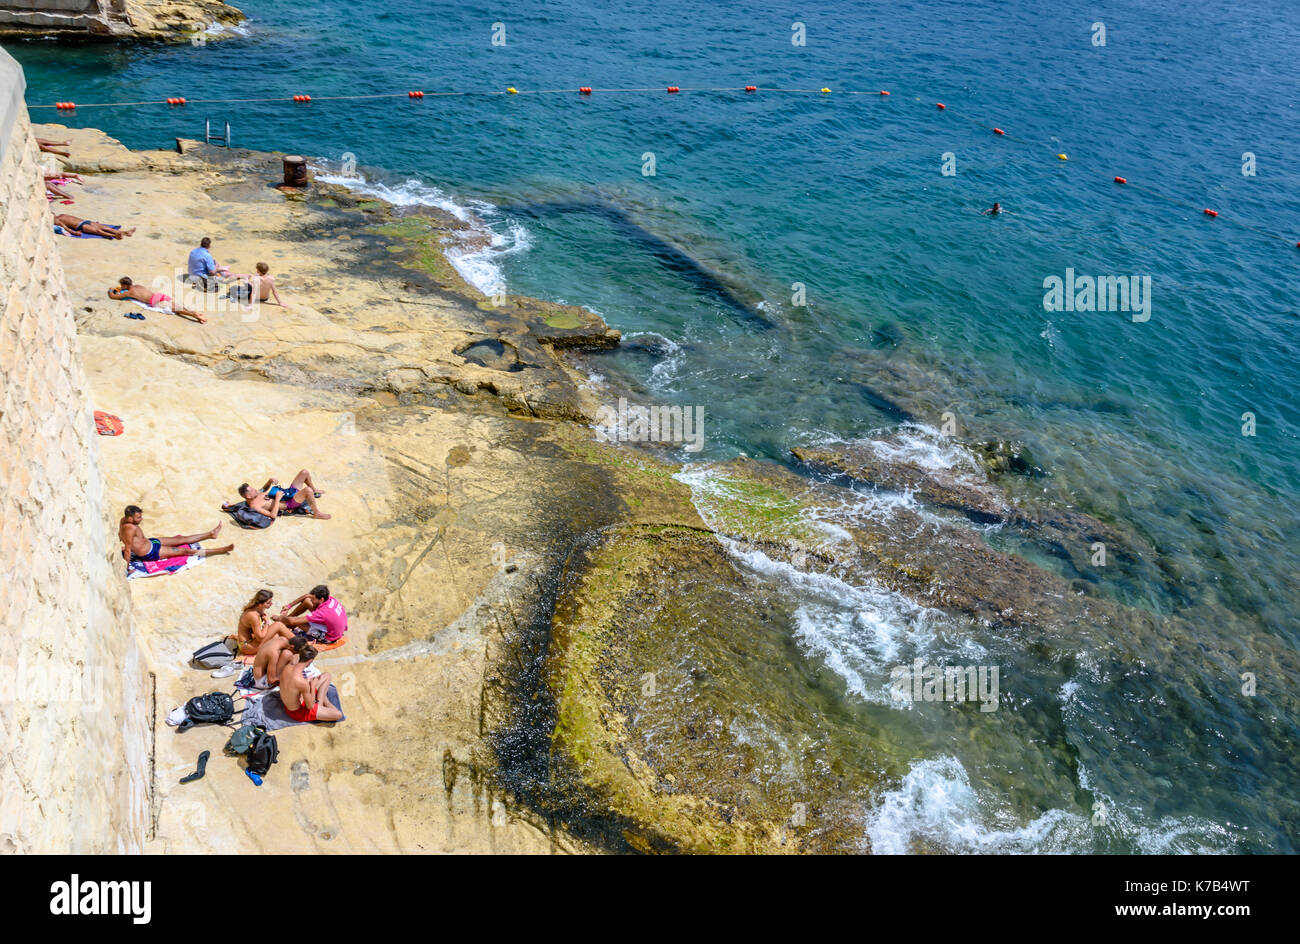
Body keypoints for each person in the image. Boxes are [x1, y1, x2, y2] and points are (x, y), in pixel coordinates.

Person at [118, 505, 233, 562]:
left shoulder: (123, 520)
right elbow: (128, 549)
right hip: (151, 552)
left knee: (181, 539)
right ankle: (220, 550)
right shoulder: (130, 529)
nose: (141, 519)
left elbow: (120, 536)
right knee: (186, 551)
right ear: (130, 517)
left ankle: (211, 534)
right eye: (138, 517)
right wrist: (126, 568)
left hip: (150, 542)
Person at [278, 643, 342, 722]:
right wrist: (312, 686)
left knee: (326, 675)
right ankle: (323, 700)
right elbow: (310, 707)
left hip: (291, 702)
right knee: (338, 714)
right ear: (310, 661)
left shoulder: (288, 667)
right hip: (297, 712)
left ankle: (320, 700)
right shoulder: (302, 682)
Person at [233, 470, 330, 520]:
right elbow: (272, 515)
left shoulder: (255, 495)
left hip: (288, 493)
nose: (255, 489)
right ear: (248, 496)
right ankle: (317, 513)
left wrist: (270, 481)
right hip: (289, 503)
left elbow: (264, 489)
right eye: (252, 490)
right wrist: (278, 499)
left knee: (304, 472)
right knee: (307, 490)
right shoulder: (255, 505)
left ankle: (315, 489)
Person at [109, 276, 206, 323]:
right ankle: (194, 312)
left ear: (125, 285)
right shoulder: (138, 286)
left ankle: (195, 315)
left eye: (122, 285)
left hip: (155, 301)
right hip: (159, 296)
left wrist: (111, 290)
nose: (121, 287)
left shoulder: (129, 292)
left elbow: (113, 297)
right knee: (178, 306)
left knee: (177, 309)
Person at [278, 585, 348, 644]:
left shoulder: (322, 613)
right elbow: (307, 596)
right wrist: (288, 606)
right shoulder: (329, 599)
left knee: (298, 623)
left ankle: (284, 625)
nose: (311, 600)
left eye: (313, 599)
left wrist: (280, 618)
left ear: (321, 600)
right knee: (306, 602)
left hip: (330, 636)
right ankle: (285, 622)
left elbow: (294, 621)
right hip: (332, 625)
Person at [235, 589, 293, 655]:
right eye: (268, 603)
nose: (271, 604)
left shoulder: (259, 610)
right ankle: (299, 643)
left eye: (271, 601)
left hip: (252, 642)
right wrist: (266, 623)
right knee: (278, 625)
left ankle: (295, 645)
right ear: (260, 604)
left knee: (279, 637)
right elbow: (260, 638)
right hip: (247, 646)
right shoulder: (253, 615)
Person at [251, 634, 318, 690]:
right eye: (296, 652)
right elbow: (271, 680)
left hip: (261, 673)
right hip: (261, 681)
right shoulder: (274, 653)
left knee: (288, 655)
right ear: (292, 647)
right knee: (287, 654)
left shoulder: (282, 639)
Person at [53, 213, 135, 239]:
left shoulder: (61, 215)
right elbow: (65, 228)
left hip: (85, 221)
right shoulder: (57, 220)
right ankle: (115, 235)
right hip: (81, 226)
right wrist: (74, 233)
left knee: (106, 227)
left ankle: (126, 233)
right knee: (99, 232)